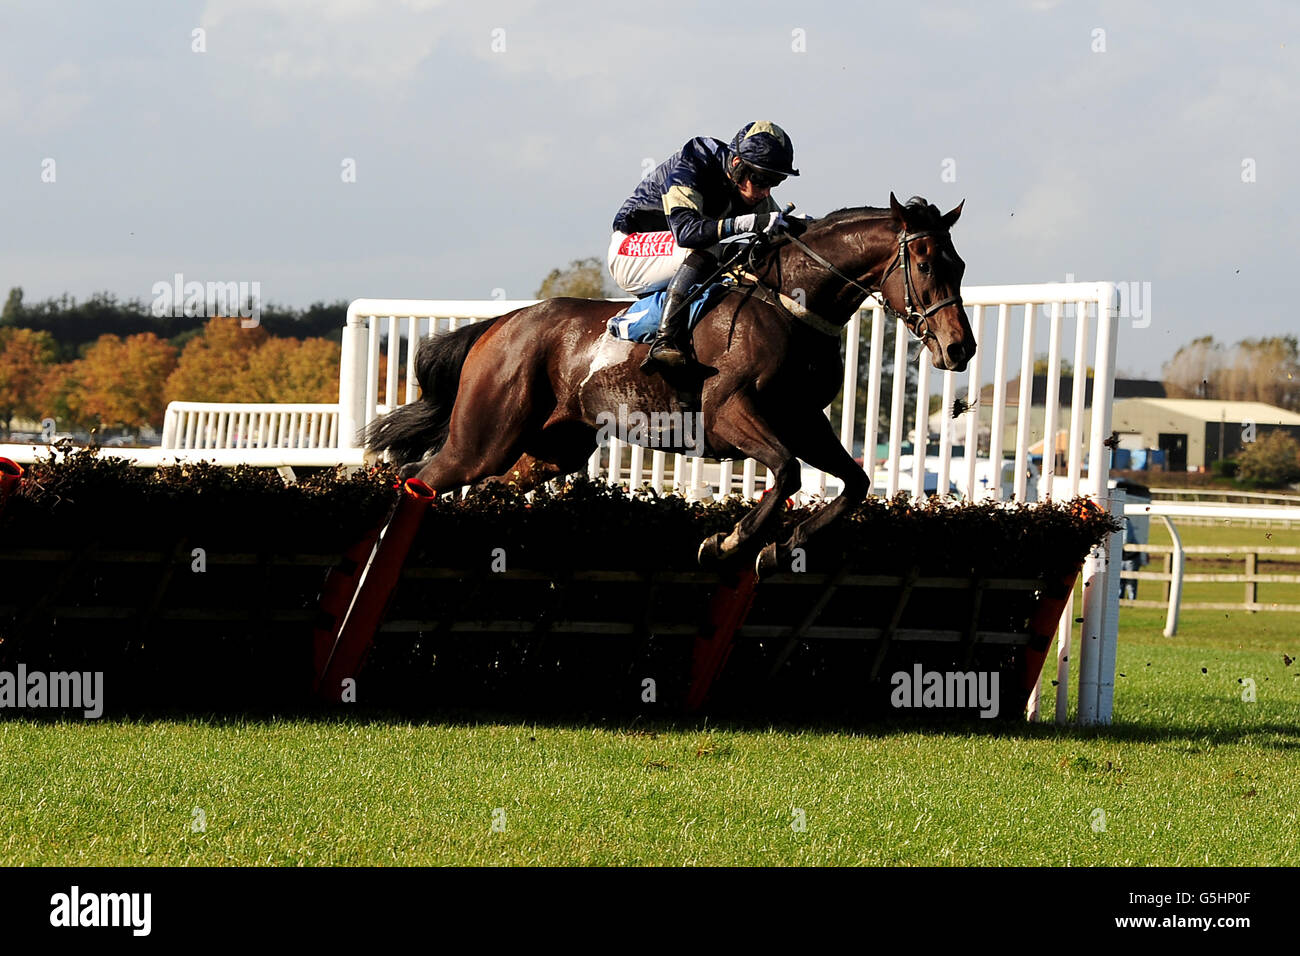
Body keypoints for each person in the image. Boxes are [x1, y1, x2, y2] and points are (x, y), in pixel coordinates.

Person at [609, 121, 799, 374]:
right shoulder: (693, 163)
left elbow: (778, 232)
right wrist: (750, 222)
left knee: (747, 256)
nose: (766, 192)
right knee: (708, 247)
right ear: (736, 164)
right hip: (631, 249)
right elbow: (688, 234)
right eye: (762, 180)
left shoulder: (746, 183)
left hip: (673, 255)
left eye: (775, 182)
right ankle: (664, 338)